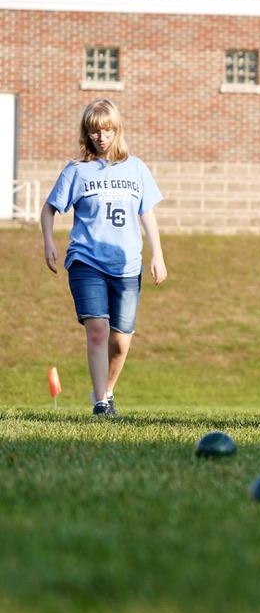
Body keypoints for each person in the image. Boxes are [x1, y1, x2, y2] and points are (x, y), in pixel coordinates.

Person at [40, 98, 167, 417]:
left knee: (121, 341)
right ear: (87, 133)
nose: (102, 137)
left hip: (127, 266)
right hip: (86, 262)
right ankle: (100, 404)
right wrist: (49, 243)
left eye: (108, 129)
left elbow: (147, 213)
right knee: (98, 329)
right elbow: (49, 209)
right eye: (95, 131)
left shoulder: (136, 167)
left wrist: (158, 255)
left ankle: (106, 391)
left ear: (117, 130)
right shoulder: (77, 170)